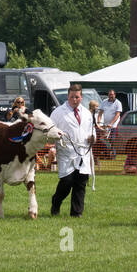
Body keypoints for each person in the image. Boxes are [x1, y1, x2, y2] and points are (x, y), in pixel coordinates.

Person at [49, 83, 94, 216]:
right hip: (66, 152)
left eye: (77, 97)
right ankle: (56, 201)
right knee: (67, 182)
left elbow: (91, 130)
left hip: (83, 152)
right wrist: (54, 141)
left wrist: (93, 138)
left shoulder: (86, 113)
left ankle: (76, 213)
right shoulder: (58, 113)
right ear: (68, 96)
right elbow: (50, 131)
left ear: (81, 97)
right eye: (72, 97)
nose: (74, 100)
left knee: (81, 183)